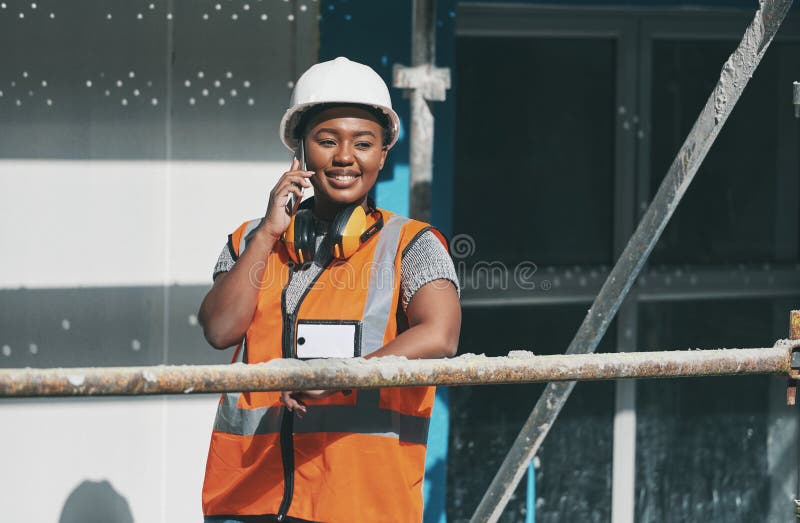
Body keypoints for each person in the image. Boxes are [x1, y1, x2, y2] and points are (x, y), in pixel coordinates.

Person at [198, 57, 461, 523]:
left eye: (363, 143)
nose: (345, 157)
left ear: (383, 155)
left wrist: (344, 375)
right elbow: (219, 329)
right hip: (248, 500)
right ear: (300, 151)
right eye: (326, 141)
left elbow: (440, 334)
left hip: (361, 504)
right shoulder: (248, 240)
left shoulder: (413, 244)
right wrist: (267, 235)